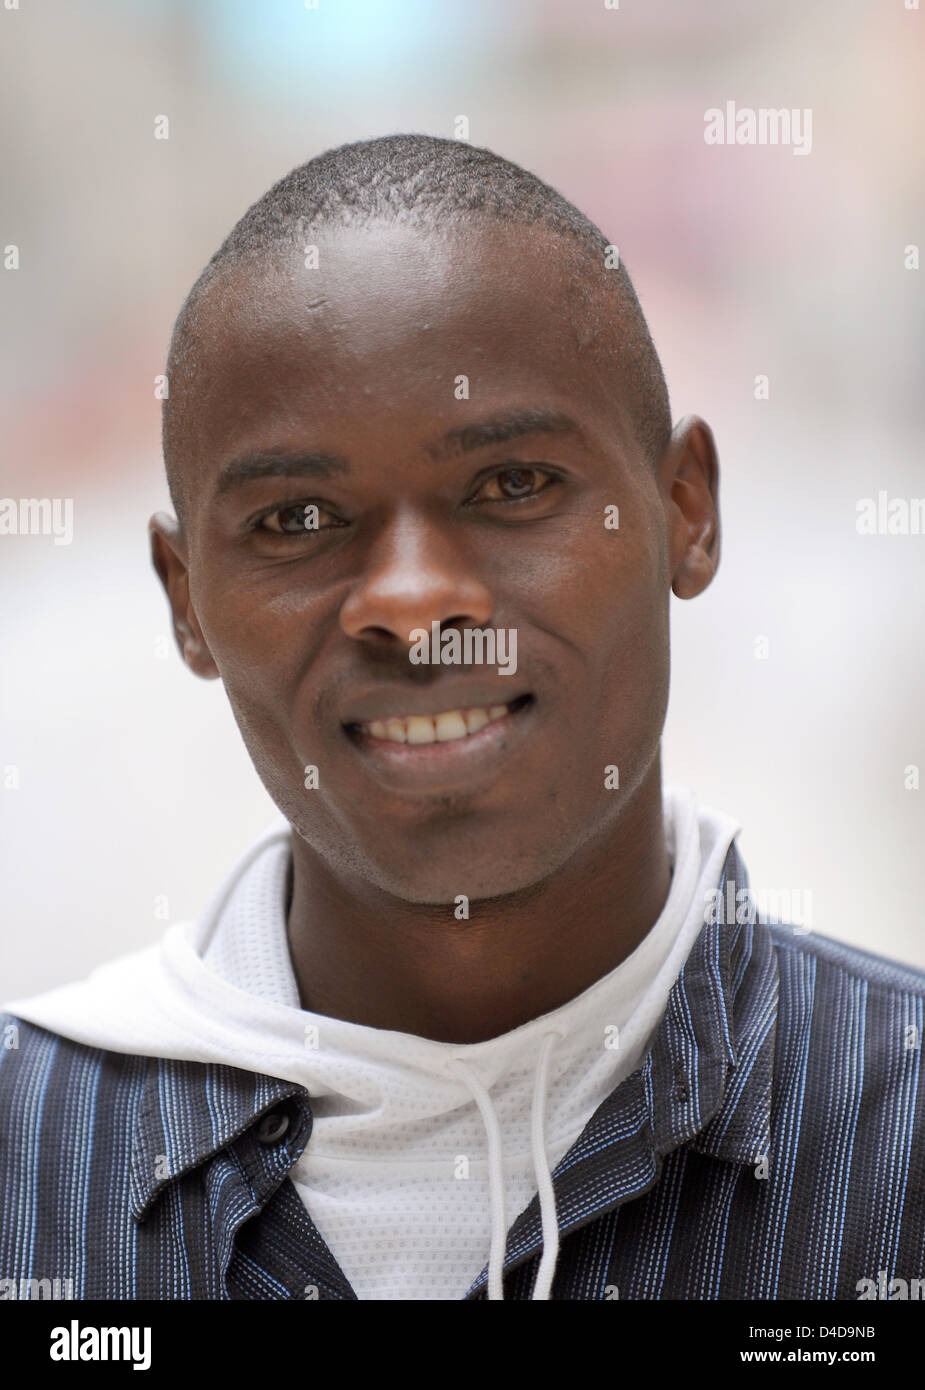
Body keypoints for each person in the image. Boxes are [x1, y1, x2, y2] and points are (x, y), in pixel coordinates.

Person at [2, 134, 923, 1303]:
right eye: (296, 519)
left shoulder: (898, 1130)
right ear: (186, 602)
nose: (411, 602)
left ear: (685, 510)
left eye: (511, 486)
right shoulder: (26, 1173)